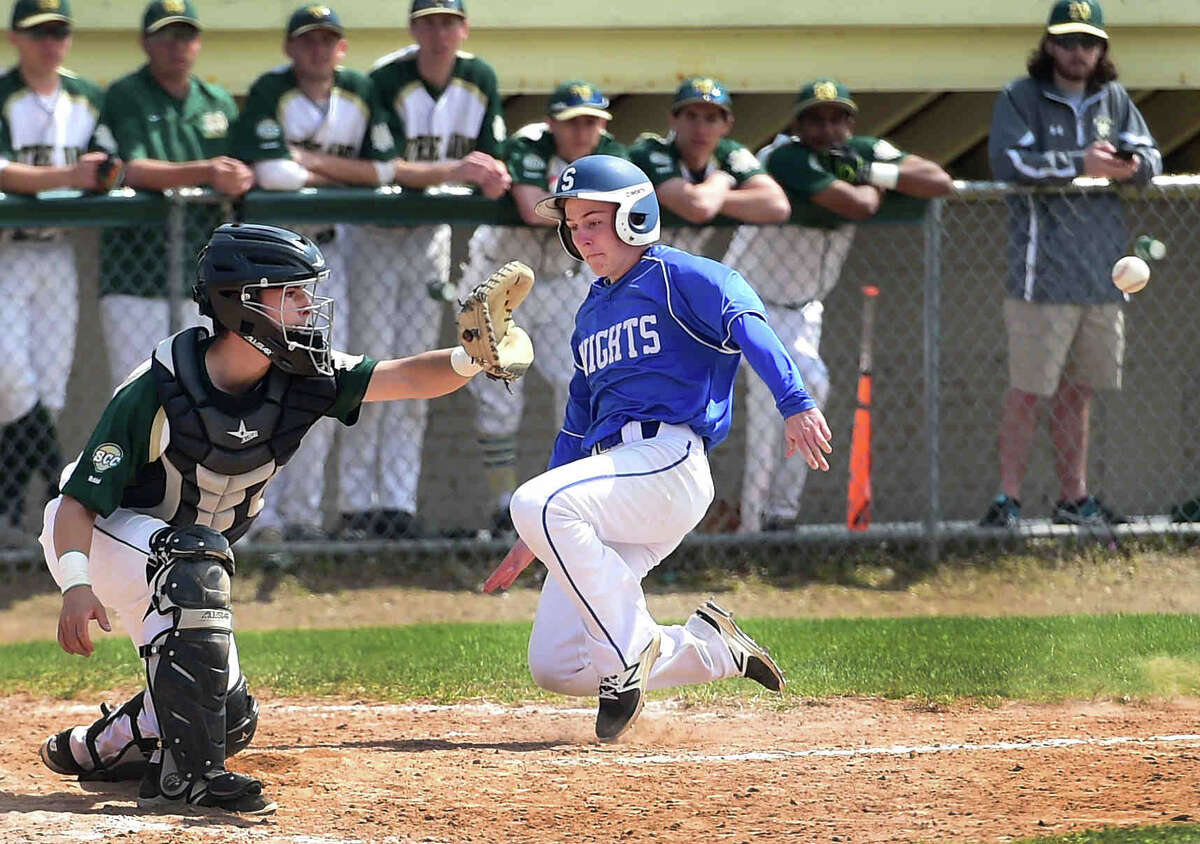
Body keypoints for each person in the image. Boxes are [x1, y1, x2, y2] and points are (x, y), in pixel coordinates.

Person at [35, 223, 531, 812]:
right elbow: (77, 505)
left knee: (229, 717)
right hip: (97, 541)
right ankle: (190, 780)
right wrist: (76, 585)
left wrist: (470, 358)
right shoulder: (158, 387)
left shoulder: (303, 372)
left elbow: (403, 376)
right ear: (243, 304)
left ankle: (97, 747)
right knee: (195, 560)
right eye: (291, 294)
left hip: (181, 561)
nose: (308, 306)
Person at [484, 156, 832, 742]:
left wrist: (794, 401)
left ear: (636, 216)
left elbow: (749, 323)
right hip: (613, 481)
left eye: (595, 219)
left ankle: (629, 651)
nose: (582, 235)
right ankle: (709, 648)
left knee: (538, 504)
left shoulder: (682, 276)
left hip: (667, 462)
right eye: (573, 224)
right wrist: (532, 532)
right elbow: (576, 423)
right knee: (558, 664)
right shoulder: (591, 311)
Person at [721, 78, 952, 532]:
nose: (827, 129)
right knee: (778, 403)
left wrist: (876, 170)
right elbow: (857, 204)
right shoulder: (786, 157)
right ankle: (752, 528)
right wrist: (870, 179)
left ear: (850, 123)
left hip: (806, 308)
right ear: (798, 124)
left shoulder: (863, 151)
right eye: (815, 119)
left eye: (836, 118)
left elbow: (937, 181)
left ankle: (778, 516)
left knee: (811, 392)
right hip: (749, 302)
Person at [981, 0, 1161, 527]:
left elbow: (1151, 156)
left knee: (1079, 394)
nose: (1077, 52)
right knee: (1027, 392)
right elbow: (1008, 161)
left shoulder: (1115, 99)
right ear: (1049, 45)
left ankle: (1072, 498)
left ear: (1101, 48)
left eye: (1087, 42)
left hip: (1104, 275)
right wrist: (1078, 165)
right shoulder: (1022, 96)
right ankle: (1007, 501)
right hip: (1044, 275)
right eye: (1066, 41)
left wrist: (1130, 165)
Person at [337, 0, 509, 539]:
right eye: (430, 22)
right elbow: (388, 167)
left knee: (414, 367)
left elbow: (493, 160)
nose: (440, 32)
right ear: (414, 28)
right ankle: (355, 504)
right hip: (372, 237)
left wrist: (490, 174)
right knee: (368, 365)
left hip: (429, 238)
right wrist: (457, 171)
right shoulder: (387, 77)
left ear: (464, 28)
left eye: (449, 22)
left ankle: (397, 502)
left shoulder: (479, 76)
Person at [231, 3, 396, 541]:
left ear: (341, 47)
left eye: (328, 40)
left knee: (315, 381)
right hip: (268, 267)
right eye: (307, 40)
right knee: (260, 386)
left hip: (326, 258)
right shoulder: (269, 90)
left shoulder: (360, 91)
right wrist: (313, 170)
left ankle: (299, 517)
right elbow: (272, 173)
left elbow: (382, 170)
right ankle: (256, 516)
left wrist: (309, 163)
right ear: (290, 47)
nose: (318, 49)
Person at [463, 79, 626, 536]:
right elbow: (532, 207)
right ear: (552, 120)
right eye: (572, 122)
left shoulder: (610, 153)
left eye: (592, 121)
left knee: (577, 385)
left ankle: (569, 498)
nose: (582, 132)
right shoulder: (528, 144)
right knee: (498, 395)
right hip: (500, 278)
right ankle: (501, 507)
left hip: (563, 280)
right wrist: (592, 207)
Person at [0, 0, 119, 542]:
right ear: (15, 38)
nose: (50, 42)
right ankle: (57, 485)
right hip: (7, 251)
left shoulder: (87, 95)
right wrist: (69, 175)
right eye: (39, 32)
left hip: (58, 253)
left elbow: (111, 164)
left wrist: (100, 174)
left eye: (59, 31)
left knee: (48, 390)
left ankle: (11, 512)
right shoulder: (5, 94)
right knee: (11, 380)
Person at [96, 0, 254, 387]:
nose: (176, 46)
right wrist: (207, 171)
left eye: (185, 36)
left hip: (205, 277)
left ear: (198, 43)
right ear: (145, 42)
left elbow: (245, 168)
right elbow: (127, 169)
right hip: (135, 276)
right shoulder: (125, 95)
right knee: (137, 391)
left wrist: (240, 176)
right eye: (166, 36)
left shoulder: (216, 100)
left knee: (203, 395)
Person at [629, 75, 789, 256]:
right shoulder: (650, 151)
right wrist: (721, 181)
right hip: (648, 263)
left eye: (711, 119)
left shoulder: (730, 153)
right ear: (673, 120)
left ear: (727, 125)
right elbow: (698, 208)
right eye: (691, 117)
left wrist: (712, 197)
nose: (700, 129)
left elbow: (777, 206)